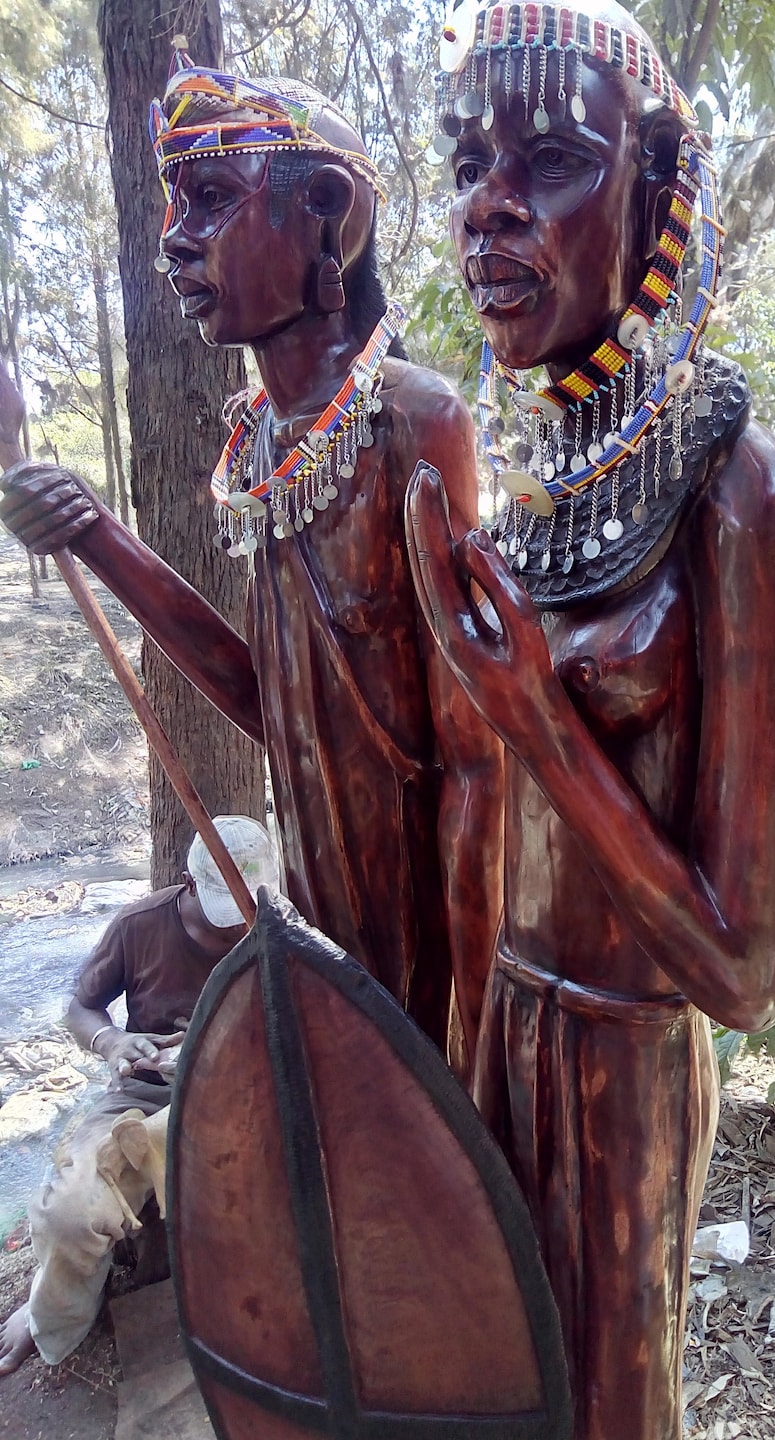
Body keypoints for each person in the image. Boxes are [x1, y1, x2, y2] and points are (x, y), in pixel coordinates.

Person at [406, 2, 775, 1435]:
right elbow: (475, 835)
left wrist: (535, 718)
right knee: (492, 1386)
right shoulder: (525, 497)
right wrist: (451, 1069)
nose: (488, 211)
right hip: (497, 1030)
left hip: (626, 1066)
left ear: (659, 190)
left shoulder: (735, 486)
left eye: (554, 159)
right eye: (467, 165)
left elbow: (746, 972)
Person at [0, 53, 502, 1070]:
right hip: (321, 886)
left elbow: (475, 750)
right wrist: (94, 532)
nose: (177, 241)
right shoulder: (266, 441)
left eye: (213, 199)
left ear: (326, 209)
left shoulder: (416, 421)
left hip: (434, 917)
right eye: (176, 205)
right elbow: (263, 702)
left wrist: (482, 990)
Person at [0, 815, 278, 1377]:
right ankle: (49, 1319)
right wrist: (112, 1040)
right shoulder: (138, 925)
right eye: (223, 910)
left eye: (246, 908)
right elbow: (80, 1007)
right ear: (188, 883)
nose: (233, 930)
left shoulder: (283, 925)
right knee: (71, 1214)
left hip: (248, 1096)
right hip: (147, 1094)